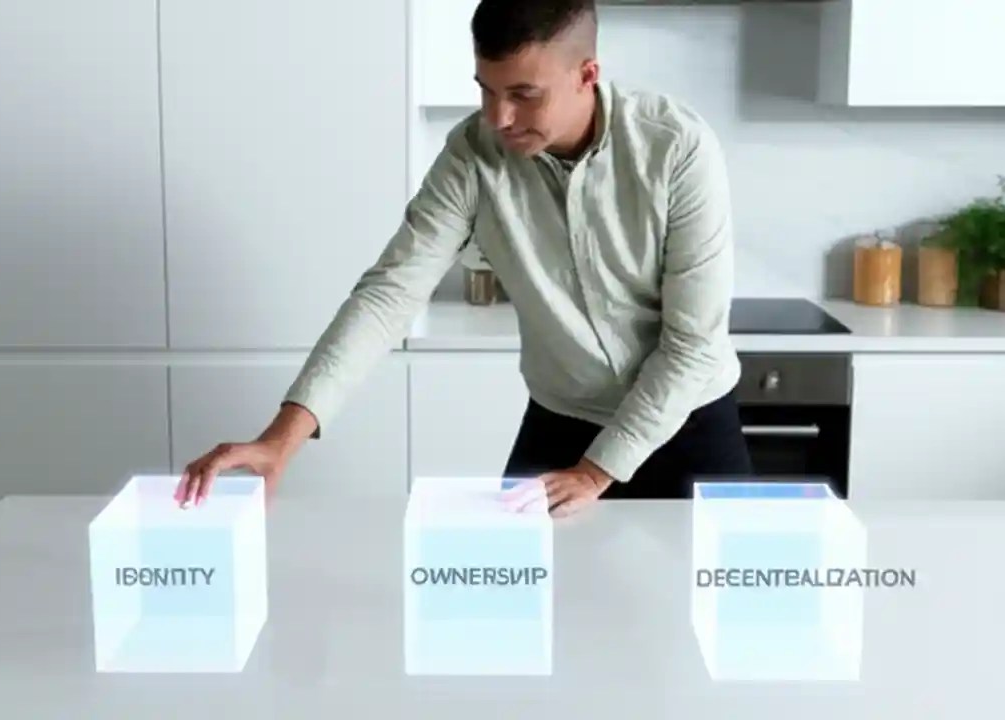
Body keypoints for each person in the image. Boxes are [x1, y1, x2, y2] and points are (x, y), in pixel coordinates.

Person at [175, 0, 752, 517]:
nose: (498, 118)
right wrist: (282, 438)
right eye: (486, 89)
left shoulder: (676, 147)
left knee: (713, 620)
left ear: (587, 75)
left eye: (524, 94)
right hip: (563, 420)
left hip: (688, 423)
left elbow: (692, 346)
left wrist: (597, 471)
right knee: (516, 609)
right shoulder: (473, 155)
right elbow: (389, 294)